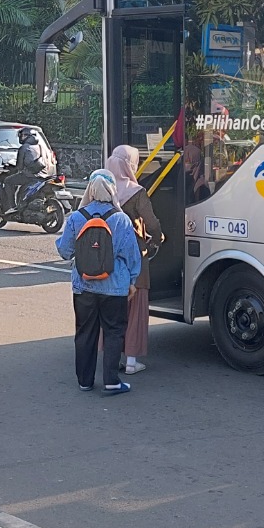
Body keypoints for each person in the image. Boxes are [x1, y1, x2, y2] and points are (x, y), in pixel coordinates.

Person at [56, 170, 141, 394]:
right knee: (113, 332)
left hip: (83, 287)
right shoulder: (121, 219)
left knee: (85, 332)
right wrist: (132, 281)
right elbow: (132, 256)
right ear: (112, 190)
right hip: (115, 287)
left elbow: (65, 251)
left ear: (90, 190)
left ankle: (85, 381)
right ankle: (111, 380)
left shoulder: (76, 218)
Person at [107, 144, 164, 375]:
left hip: (108, 257)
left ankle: (110, 359)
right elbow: (152, 223)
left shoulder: (102, 187)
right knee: (136, 309)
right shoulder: (136, 192)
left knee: (112, 309)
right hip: (135, 257)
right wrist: (157, 238)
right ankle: (131, 362)